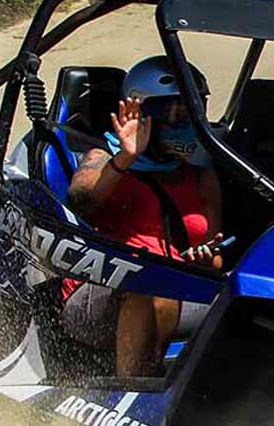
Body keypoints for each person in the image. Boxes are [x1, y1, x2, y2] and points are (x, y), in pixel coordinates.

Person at [63, 56, 223, 377]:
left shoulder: (201, 174)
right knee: (149, 283)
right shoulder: (104, 156)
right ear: (142, 112)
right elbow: (80, 201)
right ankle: (134, 391)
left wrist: (205, 259)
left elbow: (217, 259)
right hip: (101, 291)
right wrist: (127, 156)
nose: (184, 122)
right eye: (173, 112)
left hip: (178, 289)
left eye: (191, 109)